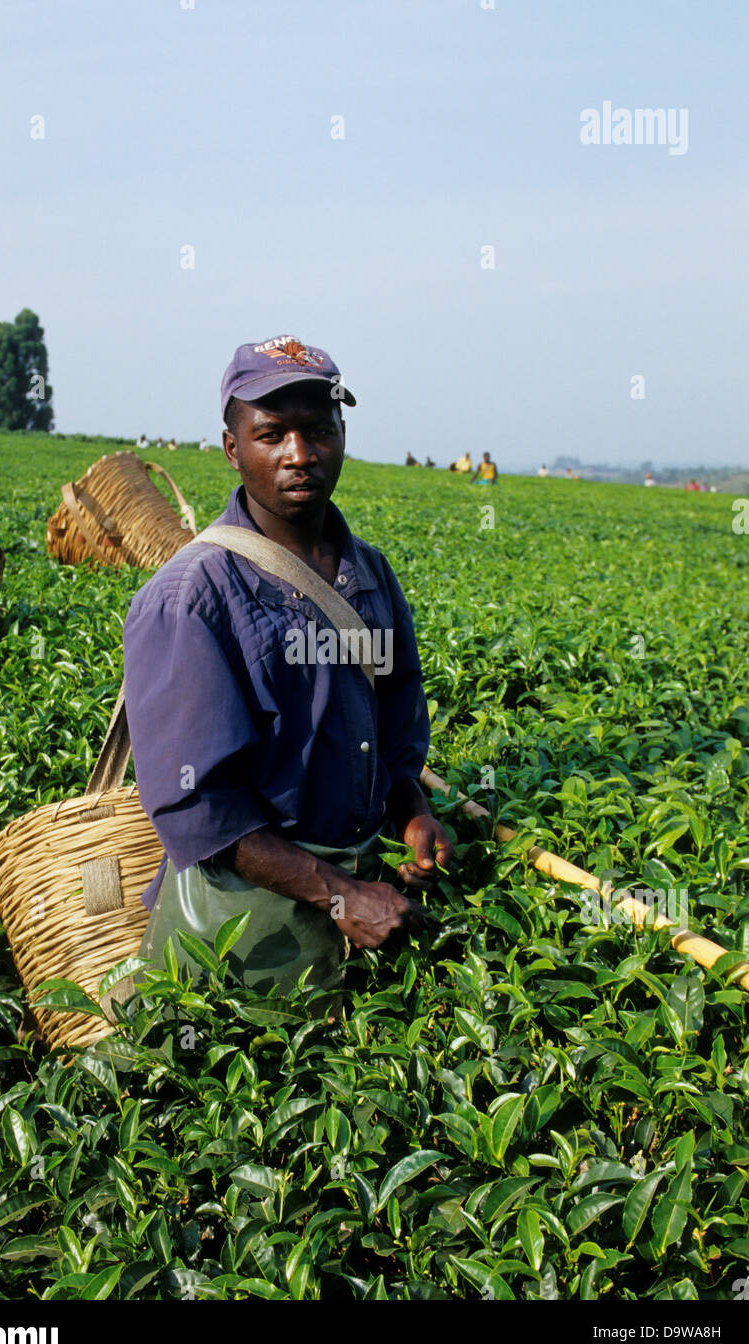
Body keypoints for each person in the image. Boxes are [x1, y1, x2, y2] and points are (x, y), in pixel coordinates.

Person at [122, 335, 453, 1003]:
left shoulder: (370, 573)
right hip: (246, 925)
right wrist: (339, 897)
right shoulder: (191, 596)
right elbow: (199, 807)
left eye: (318, 430)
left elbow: (393, 712)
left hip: (367, 898)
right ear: (231, 447)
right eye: (272, 434)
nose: (299, 455)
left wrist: (412, 809)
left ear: (341, 435)